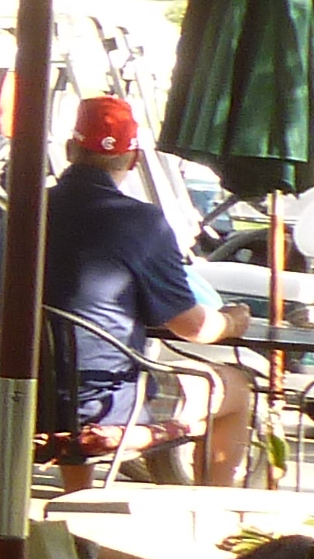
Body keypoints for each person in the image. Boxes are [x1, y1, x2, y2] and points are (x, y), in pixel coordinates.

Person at [44, 94, 245, 483]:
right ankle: (213, 516)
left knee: (74, 368)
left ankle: (76, 502)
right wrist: (233, 321)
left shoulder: (23, 209)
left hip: (10, 395)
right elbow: (195, 329)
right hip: (99, 407)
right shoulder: (143, 222)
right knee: (235, 389)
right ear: (133, 160)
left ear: (70, 149)